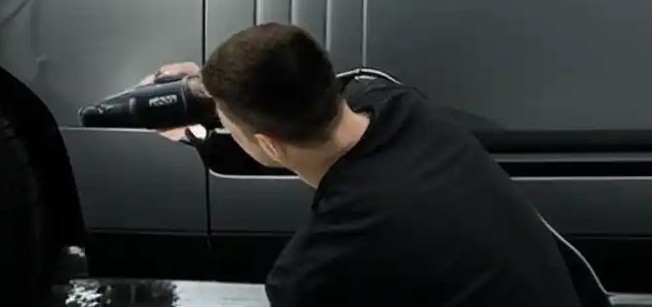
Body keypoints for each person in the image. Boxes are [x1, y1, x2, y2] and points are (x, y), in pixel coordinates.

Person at [152, 22, 584, 307]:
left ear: (270, 144)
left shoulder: (313, 272)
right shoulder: (397, 104)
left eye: (229, 124)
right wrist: (207, 97)